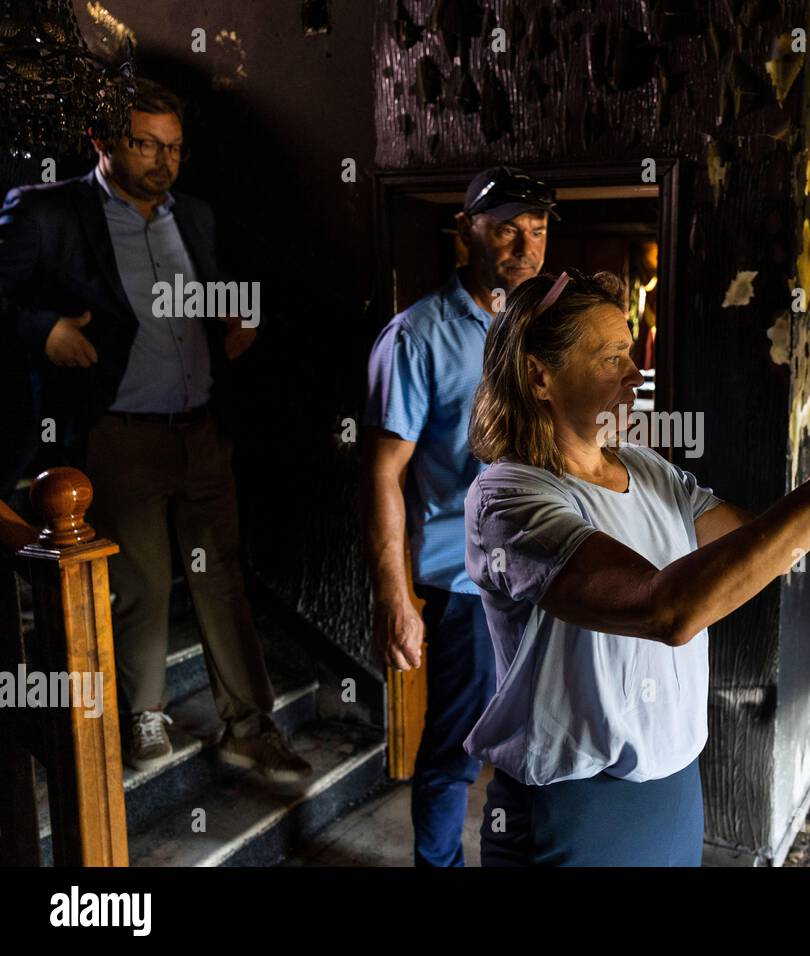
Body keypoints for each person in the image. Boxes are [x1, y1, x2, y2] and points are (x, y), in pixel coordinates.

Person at [463, 269, 810, 866]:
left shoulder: (648, 471)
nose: (635, 374)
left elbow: (769, 551)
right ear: (538, 377)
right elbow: (666, 609)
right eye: (612, 357)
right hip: (573, 807)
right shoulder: (510, 500)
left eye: (632, 352)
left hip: (674, 786)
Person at [0, 78, 311, 782]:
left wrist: (241, 310)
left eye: (174, 147)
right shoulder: (48, 213)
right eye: (146, 144)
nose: (162, 161)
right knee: (140, 583)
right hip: (120, 432)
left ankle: (250, 727)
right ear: (103, 141)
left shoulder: (193, 215)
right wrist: (40, 328)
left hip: (202, 428)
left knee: (224, 580)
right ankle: (145, 716)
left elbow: (214, 281)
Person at [362, 166, 559, 866]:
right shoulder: (415, 337)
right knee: (457, 748)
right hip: (467, 586)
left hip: (551, 575)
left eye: (536, 230)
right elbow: (384, 470)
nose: (525, 244)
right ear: (464, 233)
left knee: (538, 746)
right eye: (507, 227)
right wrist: (395, 594)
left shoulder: (545, 327)